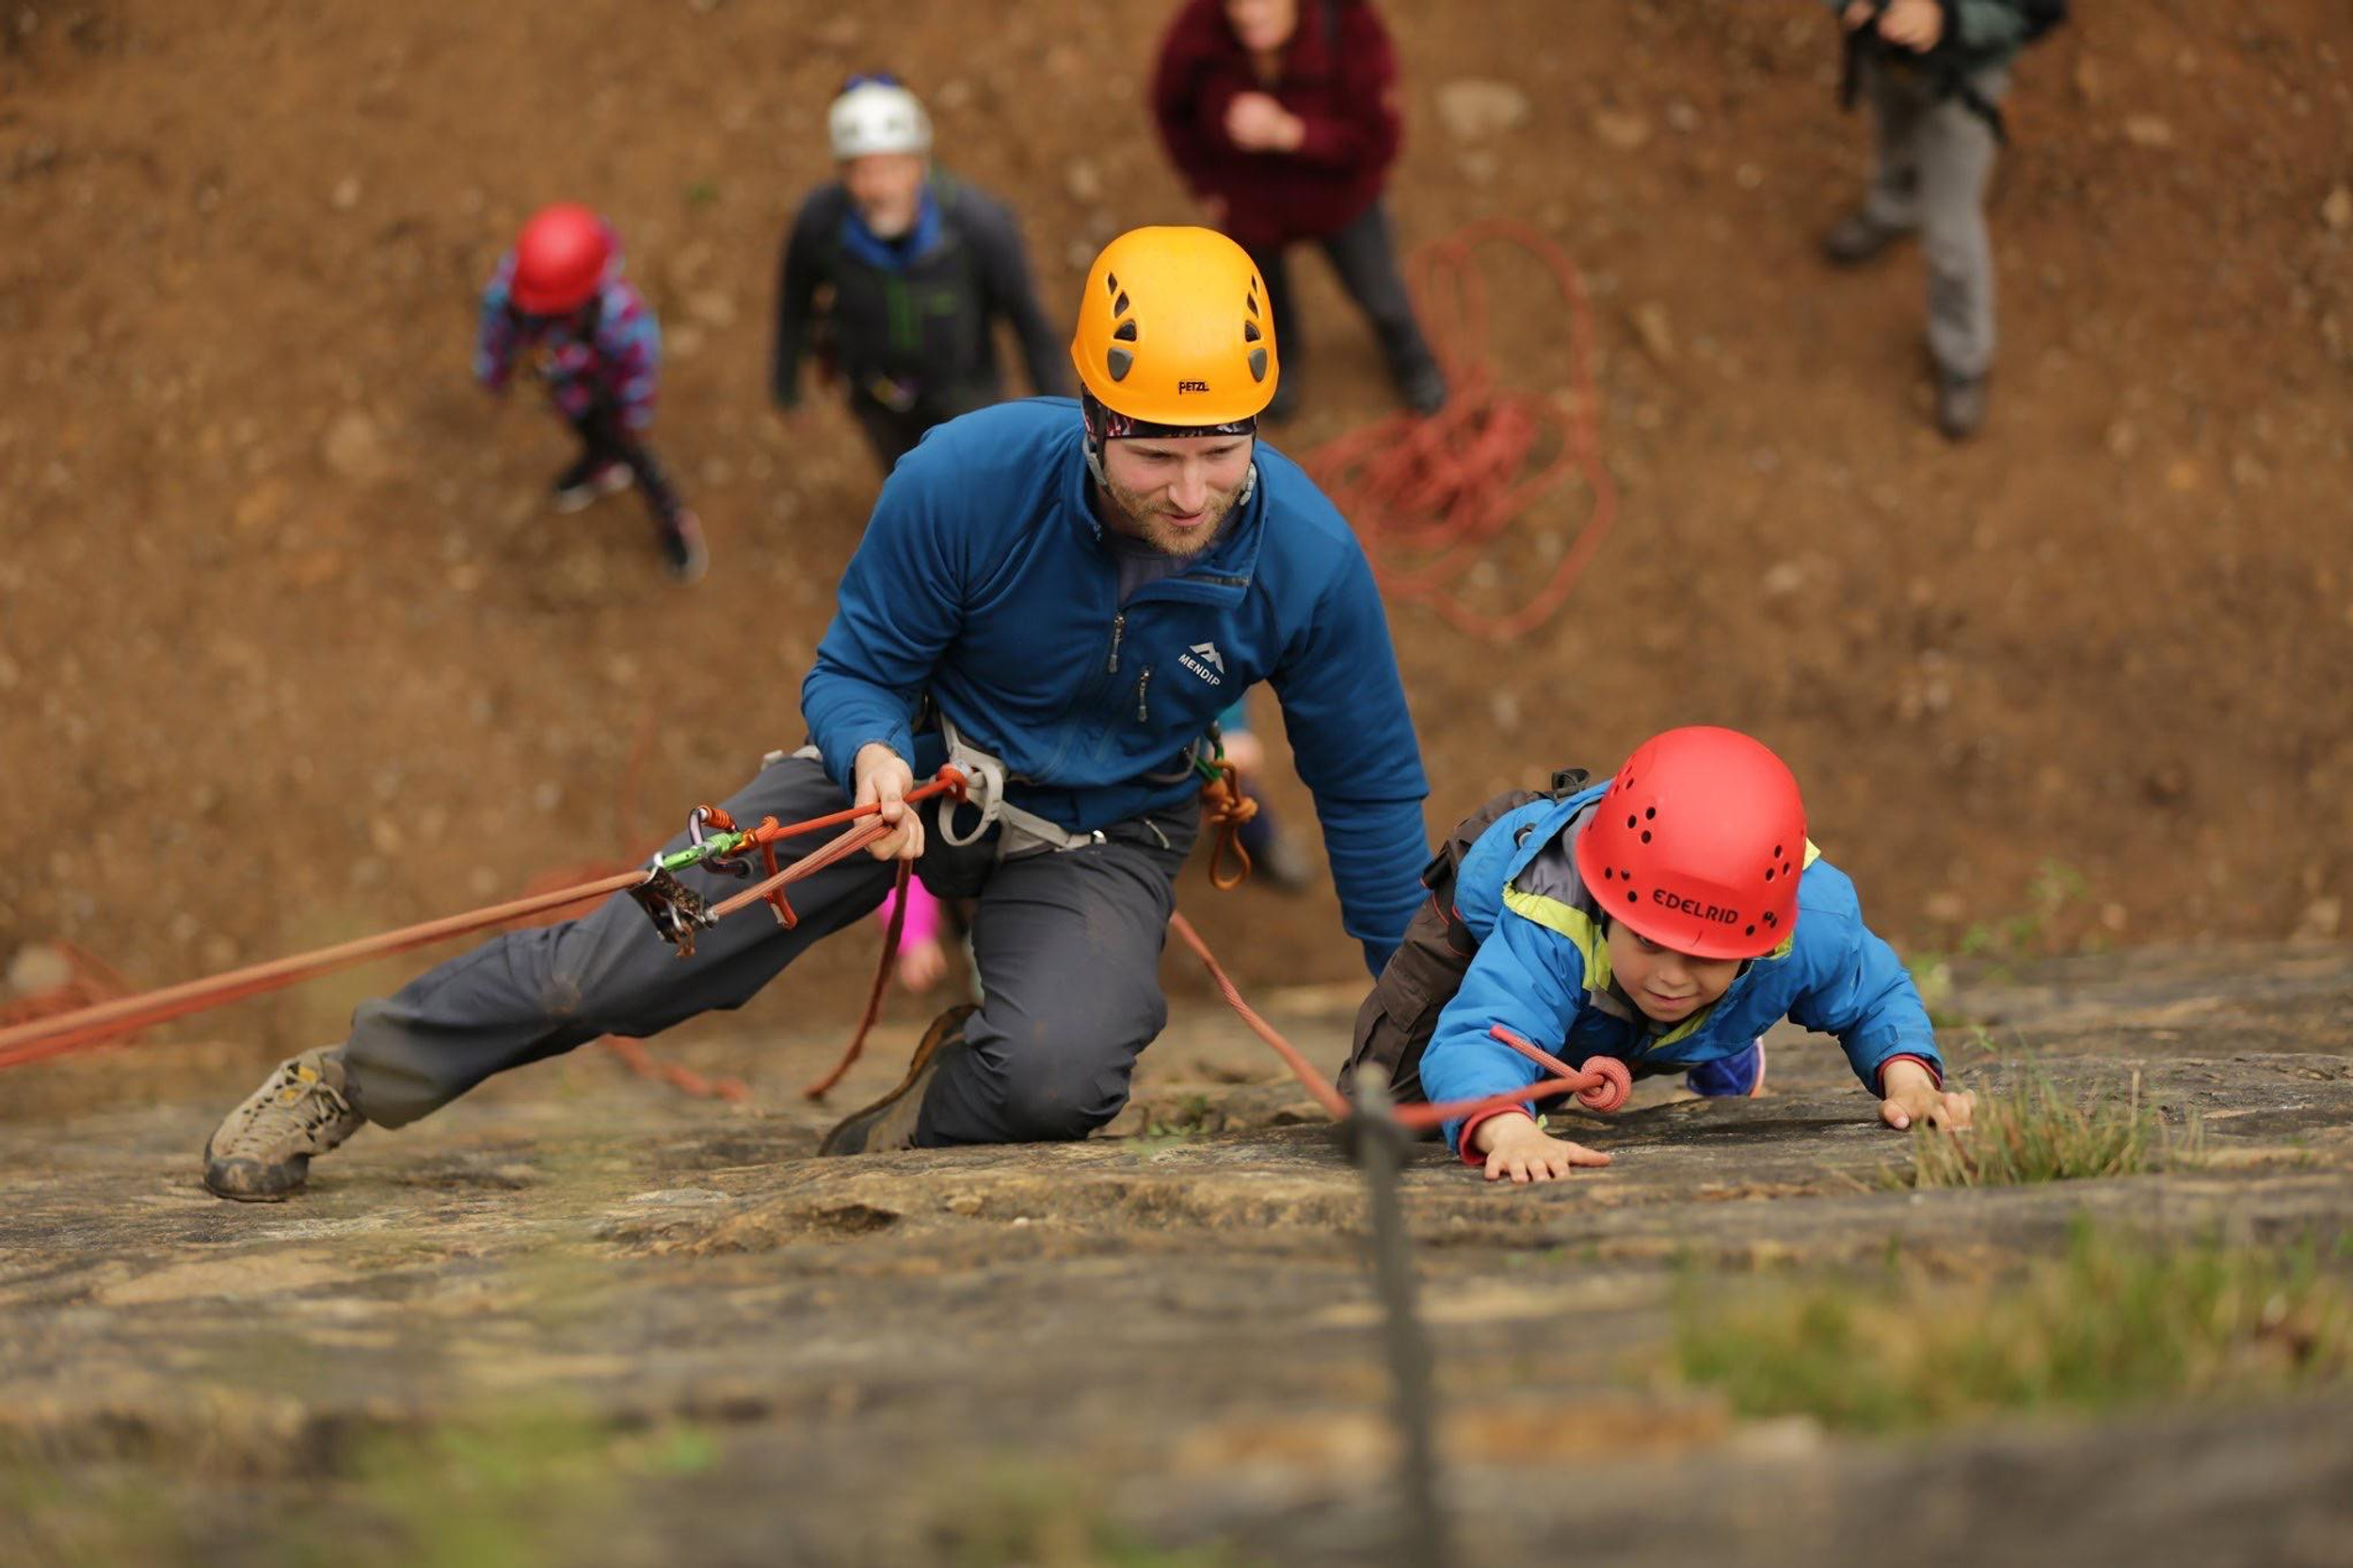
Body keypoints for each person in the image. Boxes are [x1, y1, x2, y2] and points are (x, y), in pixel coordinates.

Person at [201, 226, 1431, 1199]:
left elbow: (1366, 784)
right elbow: (856, 669)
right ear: (1095, 416)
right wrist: (874, 756)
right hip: (900, 776)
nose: (1191, 490)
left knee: (1055, 1072)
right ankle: (353, 1076)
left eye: (1221, 451)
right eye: (1156, 453)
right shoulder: (961, 480)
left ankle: (931, 1104)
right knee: (621, 955)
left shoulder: (1305, 559)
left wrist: (1409, 1025)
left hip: (1102, 834)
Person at [1337, 726, 1975, 1184]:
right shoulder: (1548, 916)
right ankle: (1684, 1027)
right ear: (1608, 907)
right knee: (1393, 1114)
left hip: (1625, 978)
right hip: (1483, 923)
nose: (1672, 975)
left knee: (1642, 1007)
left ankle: (1714, 1035)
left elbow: (1876, 995)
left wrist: (1910, 1083)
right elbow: (1481, 1032)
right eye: (1650, 941)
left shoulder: (1813, 925)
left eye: (1706, 956)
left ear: (1758, 939)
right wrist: (1506, 1127)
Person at [1150, 0, 1445, 420]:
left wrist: (1291, 133)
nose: (1249, 13)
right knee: (1264, 304)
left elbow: (1378, 140)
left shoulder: (1350, 27)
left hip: (1340, 202)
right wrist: (1207, 185)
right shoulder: (1198, 32)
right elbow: (1169, 109)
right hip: (1250, 206)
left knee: (1381, 295)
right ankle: (1281, 365)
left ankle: (1412, 360)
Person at [772, 73, 1071, 474]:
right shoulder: (821, 224)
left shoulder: (978, 225)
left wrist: (1065, 424)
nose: (878, 188)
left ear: (920, 162)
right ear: (841, 173)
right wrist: (786, 387)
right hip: (877, 397)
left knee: (974, 492)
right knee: (908, 484)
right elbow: (795, 303)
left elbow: (1027, 321)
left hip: (965, 396)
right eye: (861, 172)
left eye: (892, 168)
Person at [1820, 0, 2064, 440]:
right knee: (1893, 147)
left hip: (1962, 83)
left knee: (1951, 233)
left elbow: (2041, 10)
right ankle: (1893, 210)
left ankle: (1963, 358)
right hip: (1884, 57)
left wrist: (1947, 18)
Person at [474, 203, 708, 582]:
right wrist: (495, 374)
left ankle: (674, 521)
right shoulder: (515, 288)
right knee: (585, 430)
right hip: (566, 389)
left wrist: (633, 419)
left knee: (637, 459)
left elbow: (638, 375)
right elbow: (497, 328)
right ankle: (600, 464)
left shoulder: (623, 320)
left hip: (611, 398)